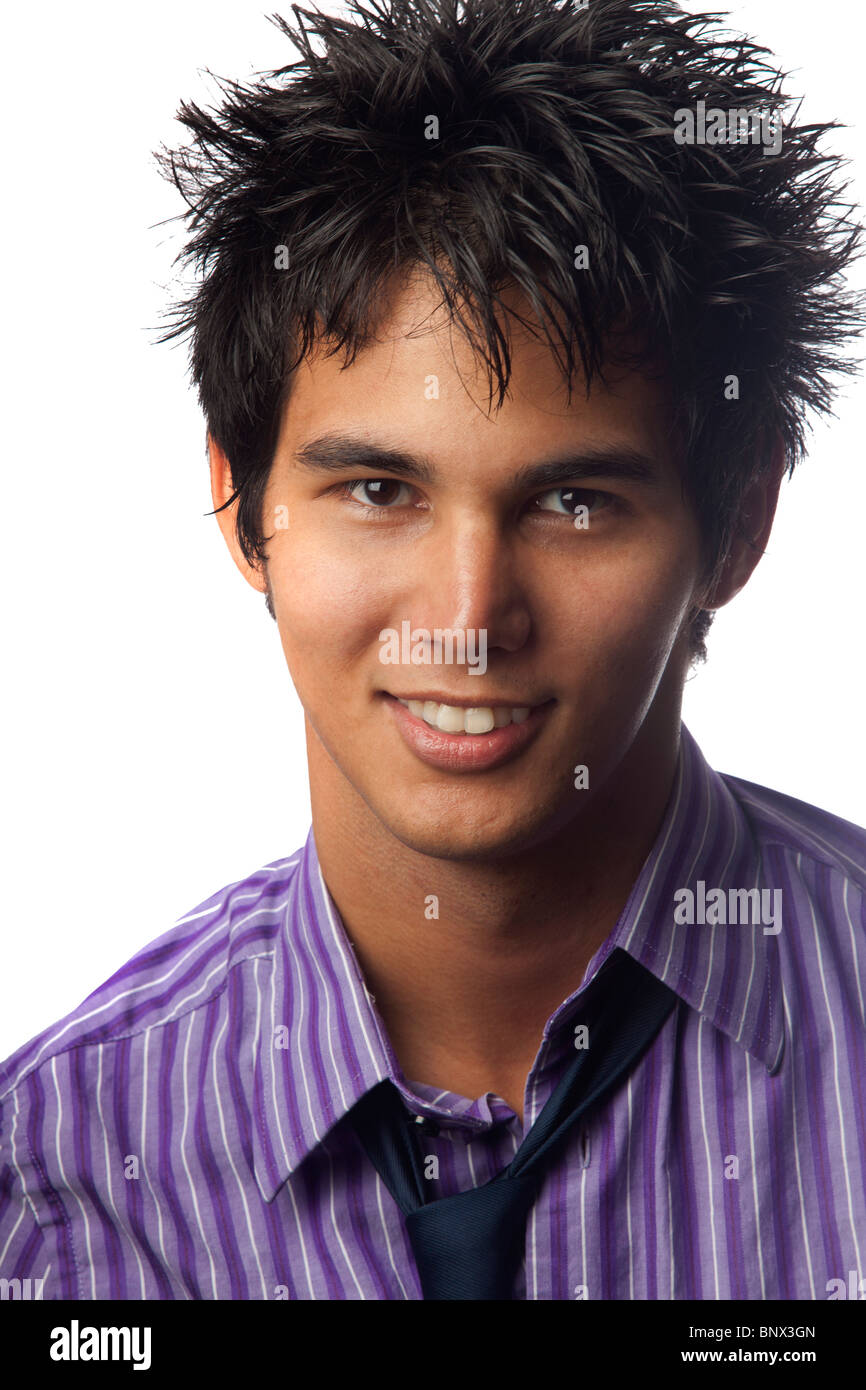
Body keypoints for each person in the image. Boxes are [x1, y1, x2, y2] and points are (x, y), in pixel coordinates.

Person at [1, 0, 864, 1302]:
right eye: (376, 490)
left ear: (736, 523)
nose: (465, 614)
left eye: (573, 500)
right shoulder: (57, 1170)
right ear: (243, 508)